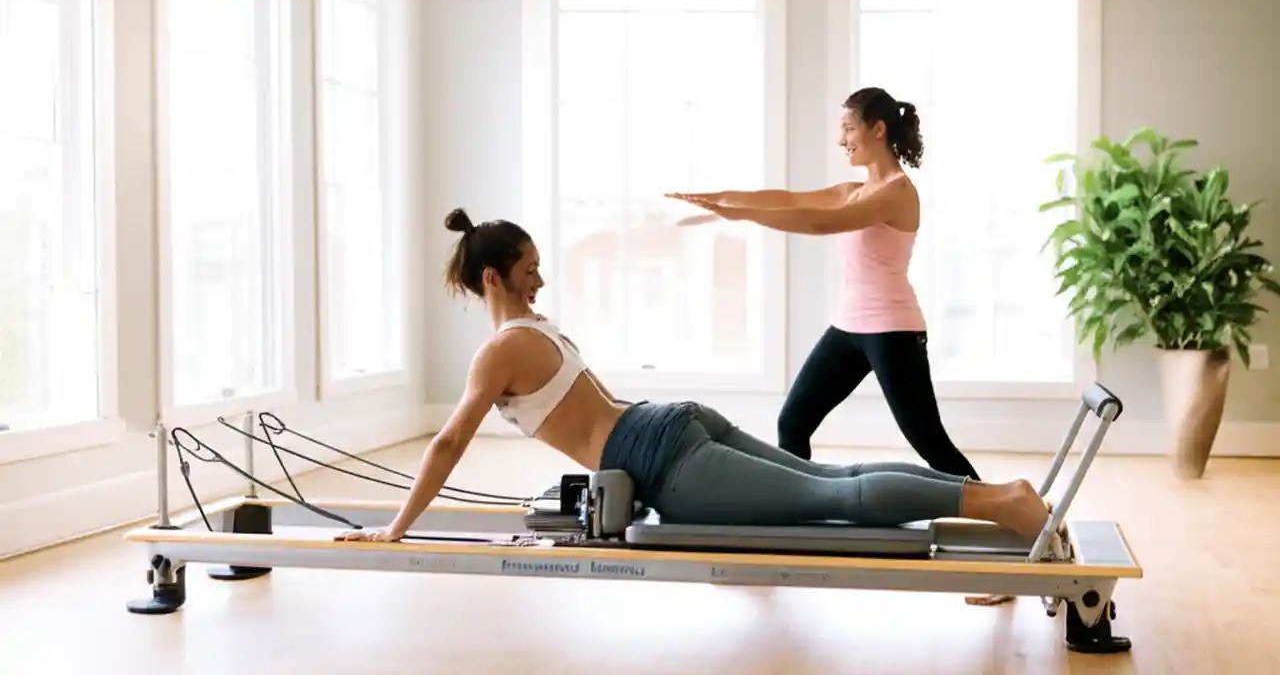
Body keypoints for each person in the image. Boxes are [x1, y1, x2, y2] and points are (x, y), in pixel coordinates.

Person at [335, 207, 1050, 545]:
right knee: (836, 480)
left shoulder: (499, 350)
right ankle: (1000, 493)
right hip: (671, 423)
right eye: (529, 271)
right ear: (493, 277)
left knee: (839, 502)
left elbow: (446, 443)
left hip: (662, 457)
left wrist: (397, 529)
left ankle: (1001, 508)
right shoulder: (534, 332)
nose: (541, 280)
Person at [666, 86, 980, 480]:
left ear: (878, 130)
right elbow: (790, 200)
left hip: (893, 330)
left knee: (930, 442)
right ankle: (799, 509)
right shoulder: (855, 190)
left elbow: (818, 223)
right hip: (848, 329)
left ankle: (1011, 515)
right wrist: (721, 197)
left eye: (849, 129)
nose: (841, 139)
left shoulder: (896, 193)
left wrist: (742, 215)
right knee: (793, 422)